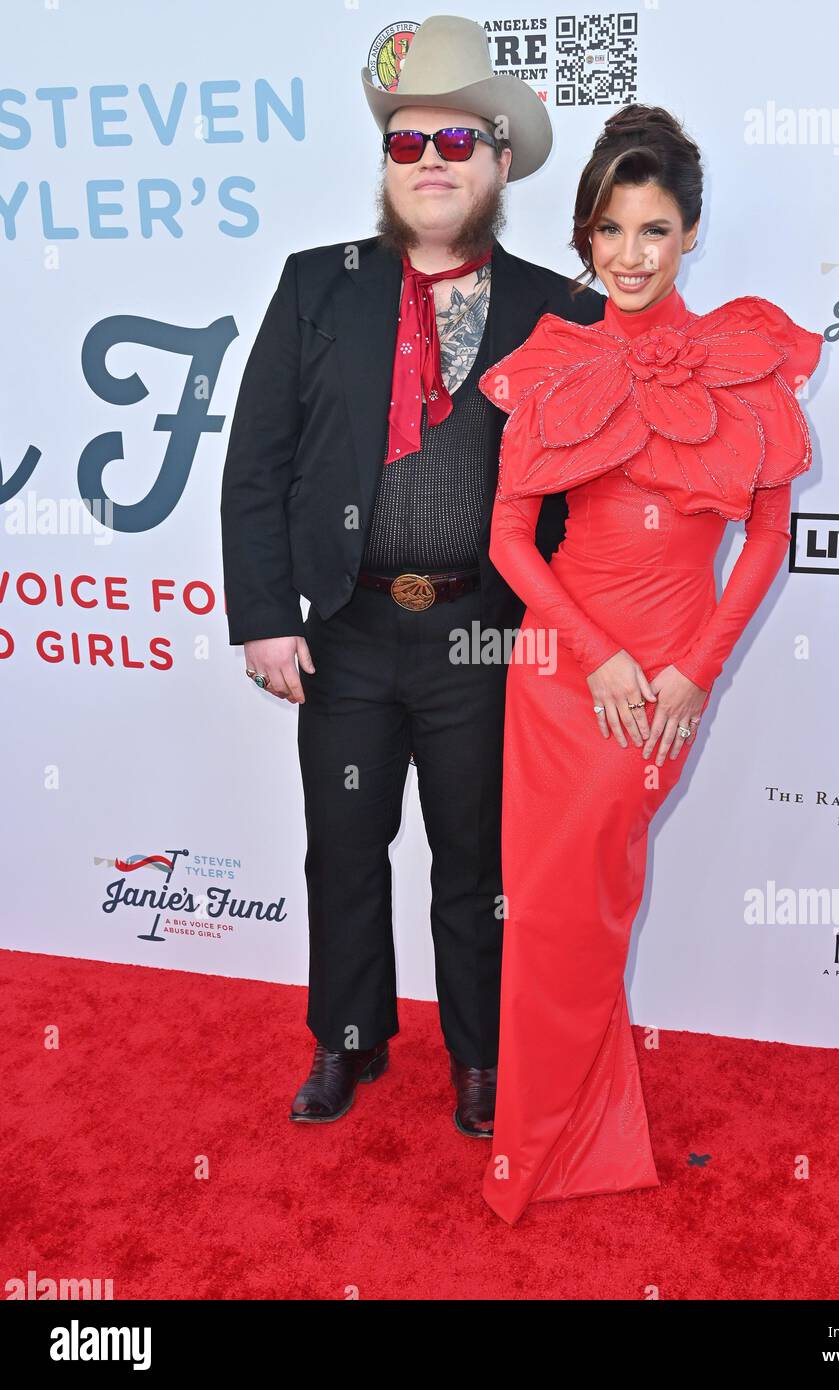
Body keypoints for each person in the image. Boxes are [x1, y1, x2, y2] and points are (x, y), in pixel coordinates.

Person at [219, 15, 606, 1137]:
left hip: (483, 638)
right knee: (342, 846)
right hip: (342, 625)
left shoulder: (558, 308)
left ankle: (479, 1058)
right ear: (386, 166)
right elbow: (258, 466)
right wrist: (262, 617)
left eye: (454, 144)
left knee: (476, 861)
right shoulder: (315, 287)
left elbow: (580, 497)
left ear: (495, 163)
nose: (429, 163)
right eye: (405, 145)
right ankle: (348, 1041)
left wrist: (560, 636)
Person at [475, 104, 825, 1224]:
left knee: (594, 900)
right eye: (611, 230)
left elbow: (766, 538)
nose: (630, 256)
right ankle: (551, 1141)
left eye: (655, 231)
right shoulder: (556, 361)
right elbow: (506, 538)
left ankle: (567, 1131)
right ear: (583, 234)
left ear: (689, 236)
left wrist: (690, 673)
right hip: (562, 674)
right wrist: (598, 658)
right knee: (541, 911)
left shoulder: (741, 360)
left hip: (664, 679)